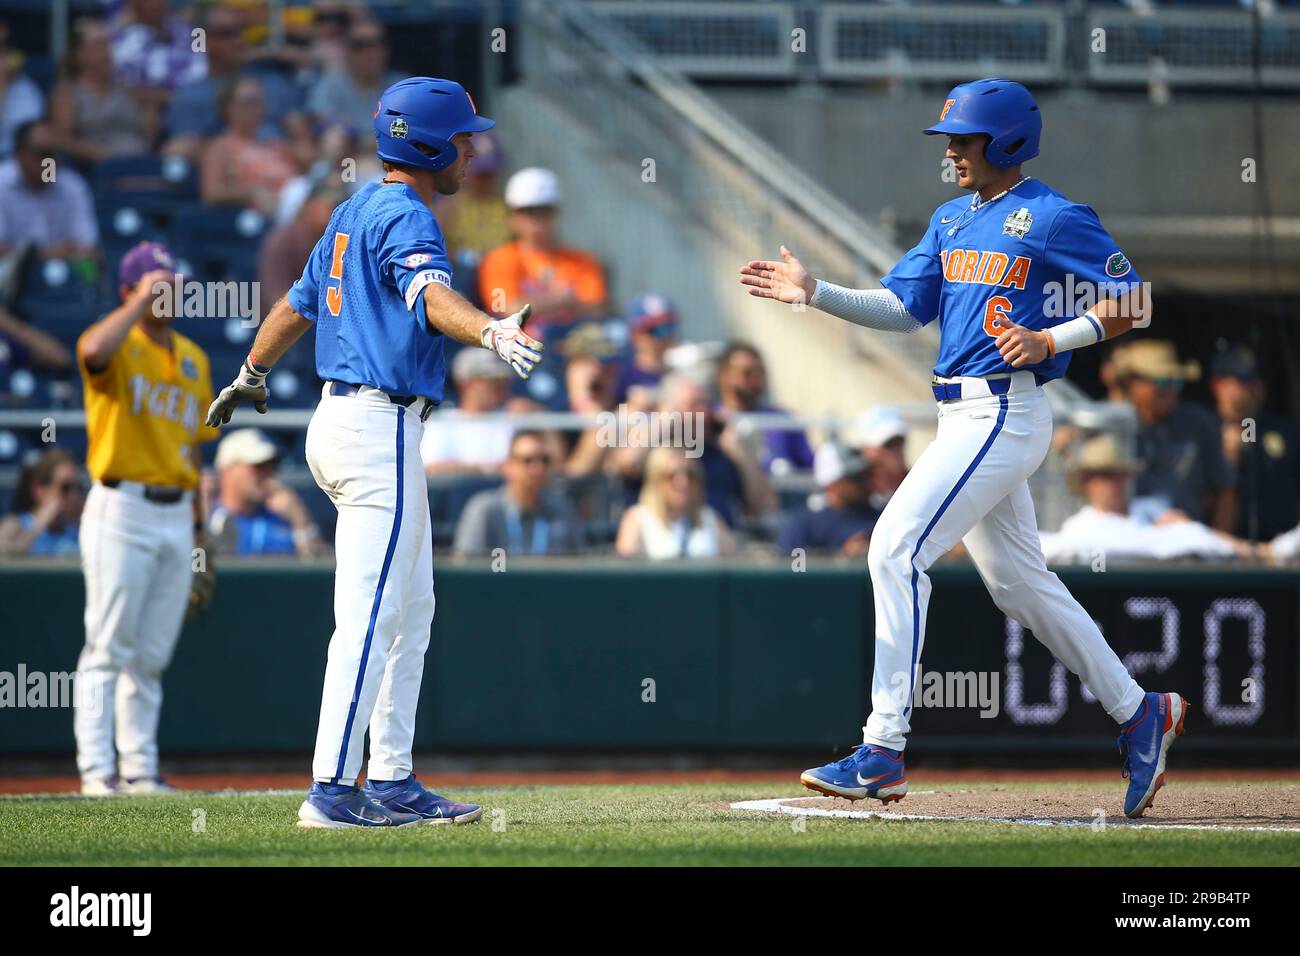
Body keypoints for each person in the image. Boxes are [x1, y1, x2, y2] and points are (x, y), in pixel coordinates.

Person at [740, 78, 1186, 819]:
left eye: (964, 138)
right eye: (950, 138)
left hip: (1005, 410)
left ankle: (881, 749)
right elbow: (902, 306)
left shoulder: (1051, 215)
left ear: (1006, 141)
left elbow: (1133, 300)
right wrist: (817, 291)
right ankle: (1140, 712)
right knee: (1018, 584)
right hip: (961, 416)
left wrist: (1053, 337)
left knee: (893, 548)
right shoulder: (951, 220)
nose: (950, 150)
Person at [205, 77, 543, 829]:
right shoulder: (406, 213)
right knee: (368, 615)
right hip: (377, 426)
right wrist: (489, 331)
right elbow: (427, 295)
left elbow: (296, 305)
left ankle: (390, 776)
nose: (471, 147)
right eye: (461, 137)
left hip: (351, 422)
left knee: (411, 609)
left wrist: (251, 372)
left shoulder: (354, 210)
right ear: (424, 144)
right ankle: (330, 789)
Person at [73, 241, 220, 796]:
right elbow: (91, 350)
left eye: (174, 284)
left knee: (152, 653)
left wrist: (200, 527)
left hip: (175, 511)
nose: (169, 294)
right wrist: (138, 304)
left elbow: (195, 450)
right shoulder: (119, 341)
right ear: (127, 290)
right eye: (157, 284)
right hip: (121, 504)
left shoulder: (193, 356)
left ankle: (139, 767)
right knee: (108, 645)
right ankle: (95, 770)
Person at [1039, 434, 1246, 564]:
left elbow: (1203, 540)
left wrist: (1185, 527)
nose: (1115, 482)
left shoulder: (1152, 509)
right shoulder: (1080, 526)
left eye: (1120, 473)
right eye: (1105, 475)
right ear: (1087, 482)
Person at [1116, 340, 1234, 531]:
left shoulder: (1199, 423)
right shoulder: (1111, 425)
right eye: (1161, 381)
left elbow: (1225, 490)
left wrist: (1216, 547)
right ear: (1133, 384)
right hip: (1128, 544)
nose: (1169, 390)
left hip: (1185, 545)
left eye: (1175, 382)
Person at [162, 5, 305, 163]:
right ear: (206, 40)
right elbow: (180, 149)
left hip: (283, 171)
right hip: (229, 175)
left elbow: (303, 141)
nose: (238, 41)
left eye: (241, 32)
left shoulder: (274, 83)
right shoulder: (190, 96)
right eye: (226, 34)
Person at [478, 166, 607, 336]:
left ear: (556, 213)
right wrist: (560, 300)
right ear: (512, 216)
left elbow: (596, 309)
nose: (537, 220)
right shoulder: (498, 259)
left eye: (544, 211)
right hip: (516, 346)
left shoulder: (582, 260)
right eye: (529, 212)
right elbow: (504, 310)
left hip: (571, 344)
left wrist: (533, 305)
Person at [1208, 345, 1300, 543]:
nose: (1254, 388)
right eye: (1243, 381)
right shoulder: (1203, 430)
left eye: (1257, 381)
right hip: (1222, 545)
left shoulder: (1282, 430)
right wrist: (1226, 460)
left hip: (1281, 547)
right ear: (1218, 385)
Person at [452, 430, 585, 557]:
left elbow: (580, 567)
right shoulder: (484, 509)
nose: (538, 469)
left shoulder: (563, 510)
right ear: (508, 467)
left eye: (544, 460)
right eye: (527, 461)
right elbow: (465, 565)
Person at [49, 17, 153, 167]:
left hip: (140, 162)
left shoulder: (126, 87)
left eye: (109, 43)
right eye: (99, 44)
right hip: (99, 170)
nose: (107, 50)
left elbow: (148, 136)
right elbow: (62, 141)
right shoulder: (67, 92)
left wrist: (150, 109)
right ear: (79, 54)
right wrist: (101, 154)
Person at [208, 428, 323, 558]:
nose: (267, 473)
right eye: (257, 466)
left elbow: (316, 564)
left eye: (271, 466)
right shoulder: (208, 516)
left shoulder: (282, 518)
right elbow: (198, 566)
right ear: (227, 470)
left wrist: (301, 520)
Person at [199, 76, 302, 216]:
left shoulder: (275, 144)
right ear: (228, 108)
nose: (257, 109)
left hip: (298, 202)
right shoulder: (220, 147)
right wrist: (251, 192)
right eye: (249, 102)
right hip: (264, 218)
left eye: (259, 102)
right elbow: (211, 193)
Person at [0, 120, 100, 260]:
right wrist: (43, 255)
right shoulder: (2, 183)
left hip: (61, 272)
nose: (51, 162)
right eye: (44, 155)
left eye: (55, 154)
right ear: (20, 155)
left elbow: (88, 246)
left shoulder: (72, 185)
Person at [616, 446, 734, 560]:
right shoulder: (638, 519)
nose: (683, 483)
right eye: (671, 476)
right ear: (655, 480)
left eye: (690, 475)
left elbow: (733, 561)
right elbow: (626, 572)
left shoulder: (710, 518)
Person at [715, 341, 814, 476]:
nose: (756, 378)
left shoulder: (783, 420)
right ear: (724, 376)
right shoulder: (709, 419)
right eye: (747, 372)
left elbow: (809, 467)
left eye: (760, 372)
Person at [420, 346, 515, 476]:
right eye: (493, 381)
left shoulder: (513, 419)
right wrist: (489, 469)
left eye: (503, 381)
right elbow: (432, 468)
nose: (501, 387)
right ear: (466, 383)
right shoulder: (443, 423)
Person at [305, 18, 402, 140]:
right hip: (347, 156)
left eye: (379, 43)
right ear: (347, 51)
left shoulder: (402, 88)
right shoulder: (331, 84)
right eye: (360, 45)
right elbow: (324, 125)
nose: (371, 52)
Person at [777, 443, 879, 558]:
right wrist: (842, 556)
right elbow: (794, 568)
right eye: (856, 477)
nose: (866, 482)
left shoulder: (884, 518)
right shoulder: (802, 525)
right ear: (830, 483)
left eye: (868, 475)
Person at [0, 449, 83, 557]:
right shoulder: (14, 525)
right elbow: (5, 560)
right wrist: (38, 526)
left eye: (78, 487)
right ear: (39, 489)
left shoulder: (78, 529)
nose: (74, 495)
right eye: (66, 487)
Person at [612, 293, 677, 405]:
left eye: (667, 327)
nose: (662, 336)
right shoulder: (620, 375)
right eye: (653, 330)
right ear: (634, 334)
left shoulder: (685, 370)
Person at [0, 20, 45, 160]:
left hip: (22, 159)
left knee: (50, 166)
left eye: (5, 46)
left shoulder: (25, 87)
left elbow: (37, 135)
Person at [851, 406, 910, 511]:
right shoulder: (854, 496)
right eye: (888, 444)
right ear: (865, 449)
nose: (896, 450)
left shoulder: (920, 484)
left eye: (899, 441)